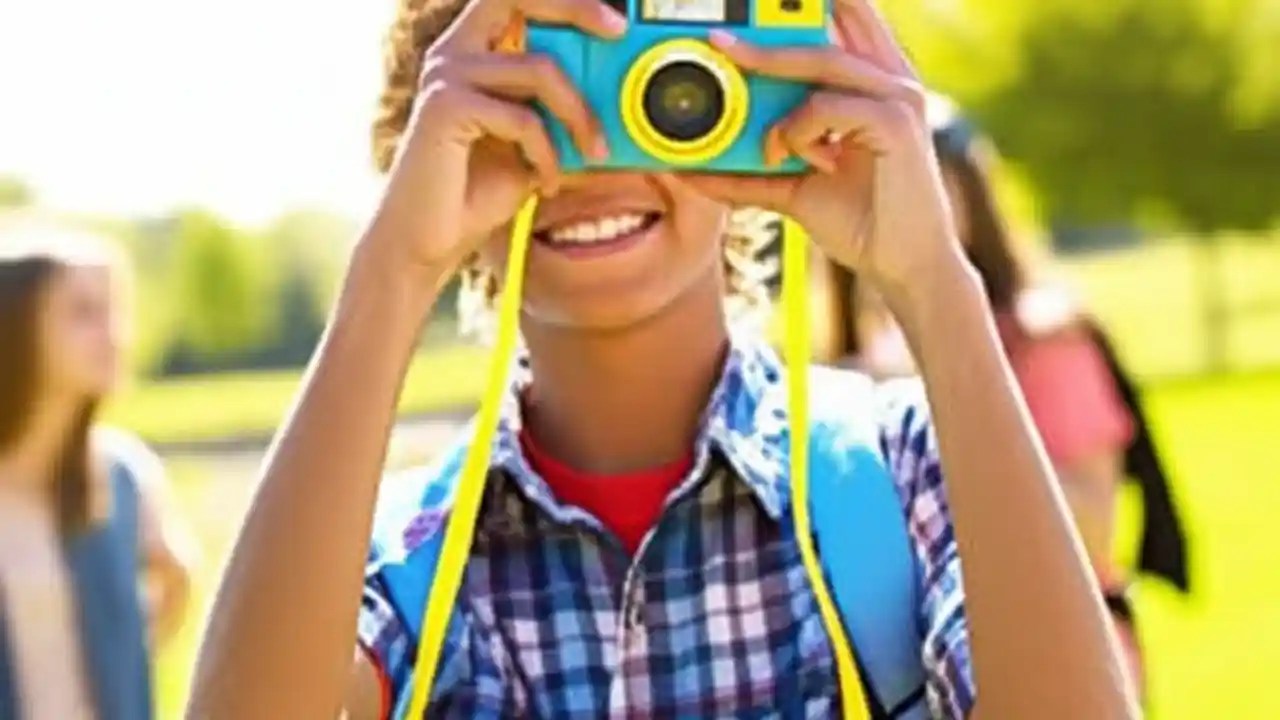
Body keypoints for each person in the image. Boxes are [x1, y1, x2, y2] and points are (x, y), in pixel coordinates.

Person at [189, 0, 1137, 717]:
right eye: (536, 102)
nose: (591, 163)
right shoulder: (390, 560)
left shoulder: (901, 474)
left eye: (657, 90)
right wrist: (393, 273)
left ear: (765, 107)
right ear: (427, 151)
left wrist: (934, 283)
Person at [818, 96, 1191, 701]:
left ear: (968, 194)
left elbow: (1094, 527)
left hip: (1049, 659)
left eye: (924, 183)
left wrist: (928, 404)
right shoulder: (832, 370)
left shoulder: (1045, 341)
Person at [0, 215, 197, 720]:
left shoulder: (122, 474)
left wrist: (124, 657)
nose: (113, 334)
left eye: (113, 310)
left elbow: (177, 578)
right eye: (83, 313)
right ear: (16, 328)